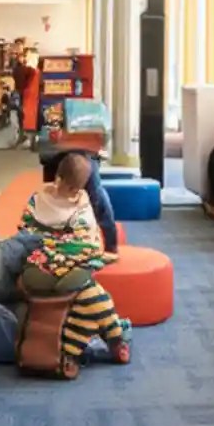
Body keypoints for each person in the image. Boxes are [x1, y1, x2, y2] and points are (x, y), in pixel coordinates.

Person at [18, 153, 131, 367]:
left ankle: (75, 349)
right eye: (72, 188)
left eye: (78, 188)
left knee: (90, 297)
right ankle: (115, 335)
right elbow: (27, 235)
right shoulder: (38, 200)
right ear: (58, 179)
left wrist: (60, 244)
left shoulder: (81, 201)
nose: (75, 193)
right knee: (93, 292)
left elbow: (87, 238)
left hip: (59, 268)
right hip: (45, 268)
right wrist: (63, 247)